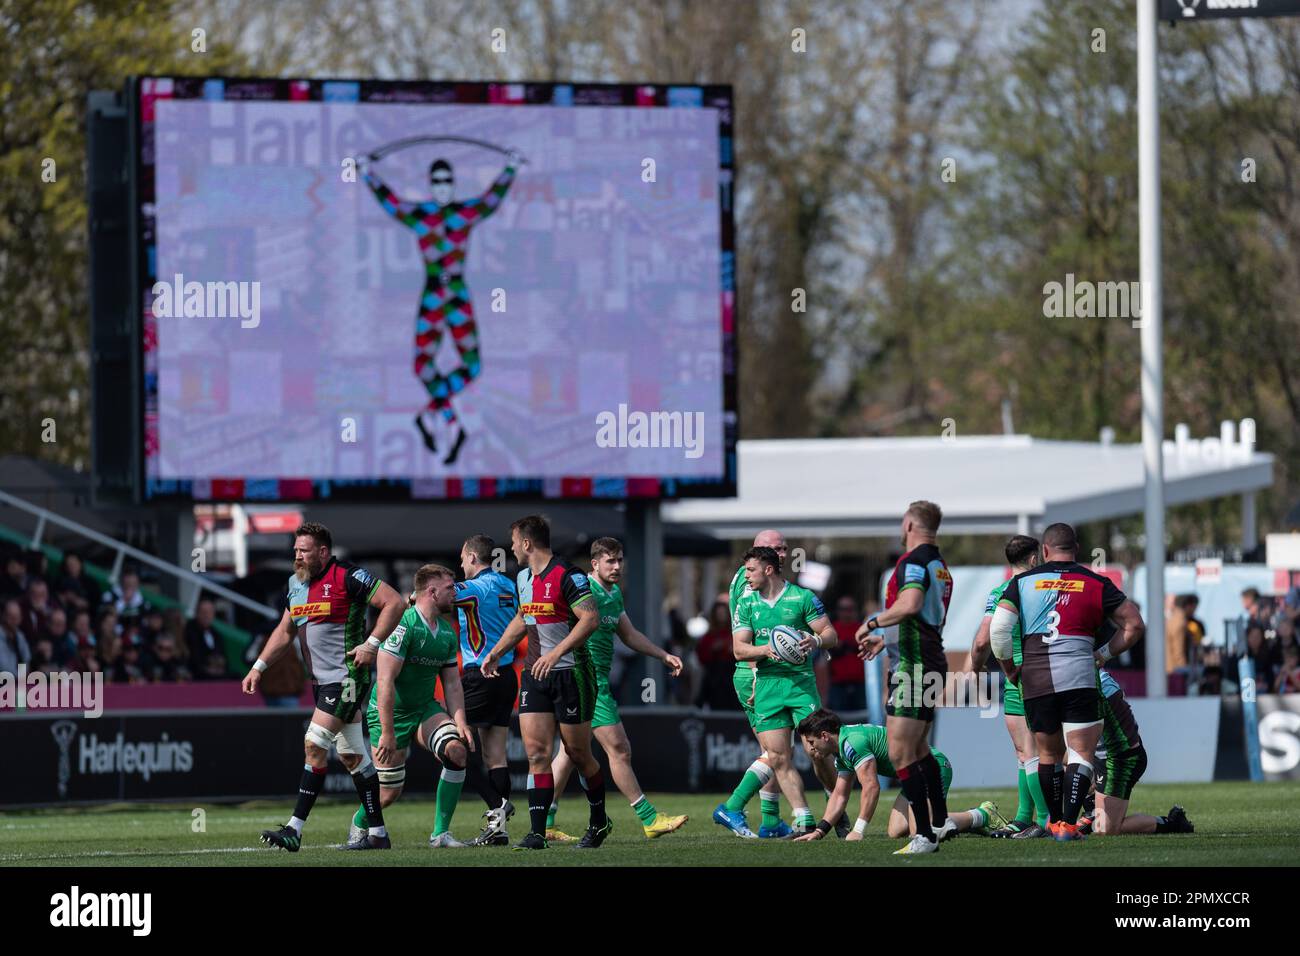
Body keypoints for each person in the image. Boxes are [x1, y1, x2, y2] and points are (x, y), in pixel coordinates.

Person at [241, 522, 405, 852]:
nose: (297, 556)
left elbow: (395, 602)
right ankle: (377, 834)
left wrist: (372, 644)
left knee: (314, 744)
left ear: (323, 553)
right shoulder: (296, 584)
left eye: (304, 550)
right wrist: (258, 666)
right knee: (352, 757)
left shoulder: (347, 576)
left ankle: (294, 829)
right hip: (321, 684)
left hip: (347, 679)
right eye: (295, 550)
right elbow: (285, 631)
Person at [359, 148, 522, 465]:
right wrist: (367, 173)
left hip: (456, 292)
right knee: (423, 364)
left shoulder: (463, 214)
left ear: (454, 184)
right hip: (435, 292)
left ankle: (431, 415)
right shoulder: (421, 217)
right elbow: (390, 202)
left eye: (448, 181)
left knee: (471, 366)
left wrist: (511, 169)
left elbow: (491, 200)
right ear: (431, 186)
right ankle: (451, 421)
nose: (443, 187)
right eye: (437, 182)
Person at [990, 523, 1145, 842]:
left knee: (1047, 756)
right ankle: (1070, 825)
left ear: (1044, 551)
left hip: (1035, 678)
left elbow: (998, 633)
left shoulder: (1020, 583)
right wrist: (1102, 653)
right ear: (1076, 549)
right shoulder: (1096, 582)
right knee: (1081, 754)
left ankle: (1057, 823)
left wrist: (1010, 670)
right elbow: (1134, 624)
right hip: (1078, 675)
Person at [480, 515, 610, 850]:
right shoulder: (522, 577)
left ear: (526, 543)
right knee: (536, 753)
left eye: (513, 542)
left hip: (572, 674)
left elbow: (590, 619)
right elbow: (524, 618)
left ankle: (598, 822)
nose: (509, 548)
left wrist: (557, 653)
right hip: (535, 677)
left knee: (577, 752)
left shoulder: (569, 575)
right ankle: (537, 833)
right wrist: (496, 651)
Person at [546, 537, 689, 841]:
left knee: (570, 753)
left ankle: (545, 820)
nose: (617, 566)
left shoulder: (612, 595)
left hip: (594, 680)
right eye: (610, 561)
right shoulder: (582, 589)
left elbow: (629, 634)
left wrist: (662, 654)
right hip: (584, 679)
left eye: (620, 560)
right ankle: (649, 819)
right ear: (594, 563)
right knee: (619, 749)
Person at [713, 545, 838, 839]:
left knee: (818, 751)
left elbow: (831, 634)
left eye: (751, 570)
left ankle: (837, 808)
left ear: (768, 570)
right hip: (767, 685)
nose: (746, 576)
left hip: (800, 684)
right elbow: (738, 649)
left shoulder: (802, 597)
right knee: (778, 756)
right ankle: (804, 818)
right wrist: (765, 650)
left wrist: (815, 641)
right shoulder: (747, 604)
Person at [347, 564, 473, 849]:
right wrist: (389, 733)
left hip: (424, 709)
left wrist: (461, 721)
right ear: (431, 591)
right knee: (388, 794)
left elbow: (452, 684)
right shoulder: (403, 625)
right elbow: (386, 681)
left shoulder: (446, 632)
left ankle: (440, 834)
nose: (455, 593)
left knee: (456, 752)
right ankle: (359, 822)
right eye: (450, 588)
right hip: (390, 715)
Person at [855, 500, 955, 854]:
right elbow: (923, 617)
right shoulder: (939, 565)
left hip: (914, 666)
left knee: (899, 753)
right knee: (918, 748)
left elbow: (911, 604)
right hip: (925, 660)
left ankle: (925, 835)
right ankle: (941, 822)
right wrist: (886, 640)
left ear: (909, 524)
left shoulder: (914, 561)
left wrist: (873, 622)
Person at [794, 709, 1004, 842]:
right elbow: (839, 795)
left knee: (921, 833)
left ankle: (982, 815)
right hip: (914, 776)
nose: (811, 749)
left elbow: (871, 787)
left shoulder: (853, 743)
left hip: (932, 767)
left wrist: (858, 829)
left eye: (811, 742)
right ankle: (971, 821)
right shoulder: (842, 749)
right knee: (896, 831)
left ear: (825, 736)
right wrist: (820, 831)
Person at [964, 534, 1050, 838]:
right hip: (1044, 674)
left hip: (1015, 677)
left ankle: (1044, 820)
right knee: (1030, 753)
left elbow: (982, 640)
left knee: (1027, 752)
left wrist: (974, 667)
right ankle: (1029, 817)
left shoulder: (1000, 591)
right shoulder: (1044, 588)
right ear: (1034, 559)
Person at [721, 529, 796, 838]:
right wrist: (755, 674)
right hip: (755, 673)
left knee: (776, 749)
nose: (781, 553)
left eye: (783, 548)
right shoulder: (748, 580)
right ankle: (733, 806)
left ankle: (769, 821)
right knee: (776, 751)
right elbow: (746, 633)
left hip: (766, 672)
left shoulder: (770, 582)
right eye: (773, 548)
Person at [451, 533, 520, 846]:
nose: (460, 564)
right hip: (506, 675)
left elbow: (435, 598)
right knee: (496, 755)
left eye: (462, 558)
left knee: (451, 747)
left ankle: (498, 805)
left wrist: (414, 598)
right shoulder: (509, 585)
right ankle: (499, 830)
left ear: (471, 556)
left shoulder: (470, 588)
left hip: (479, 674)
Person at [1077, 669, 1193, 836]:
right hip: (1103, 756)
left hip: (1118, 760)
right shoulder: (1087, 676)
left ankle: (1171, 823)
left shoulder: (1092, 685)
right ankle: (1091, 811)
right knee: (1064, 762)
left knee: (1102, 829)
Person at [695, 597, 737, 711]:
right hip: (715, 680)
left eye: (723, 613)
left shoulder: (736, 633)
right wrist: (713, 649)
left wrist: (735, 651)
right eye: (719, 613)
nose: (721, 616)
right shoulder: (709, 637)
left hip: (733, 678)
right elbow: (701, 657)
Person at [828, 595, 867, 711]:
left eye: (850, 609)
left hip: (861, 684)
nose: (846, 613)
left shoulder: (863, 629)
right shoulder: (830, 630)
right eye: (842, 609)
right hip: (837, 685)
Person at [185, 599, 223, 676]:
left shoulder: (216, 634)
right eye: (203, 612)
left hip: (217, 674)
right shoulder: (189, 631)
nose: (206, 615)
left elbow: (222, 656)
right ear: (197, 613)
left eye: (209, 612)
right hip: (197, 673)